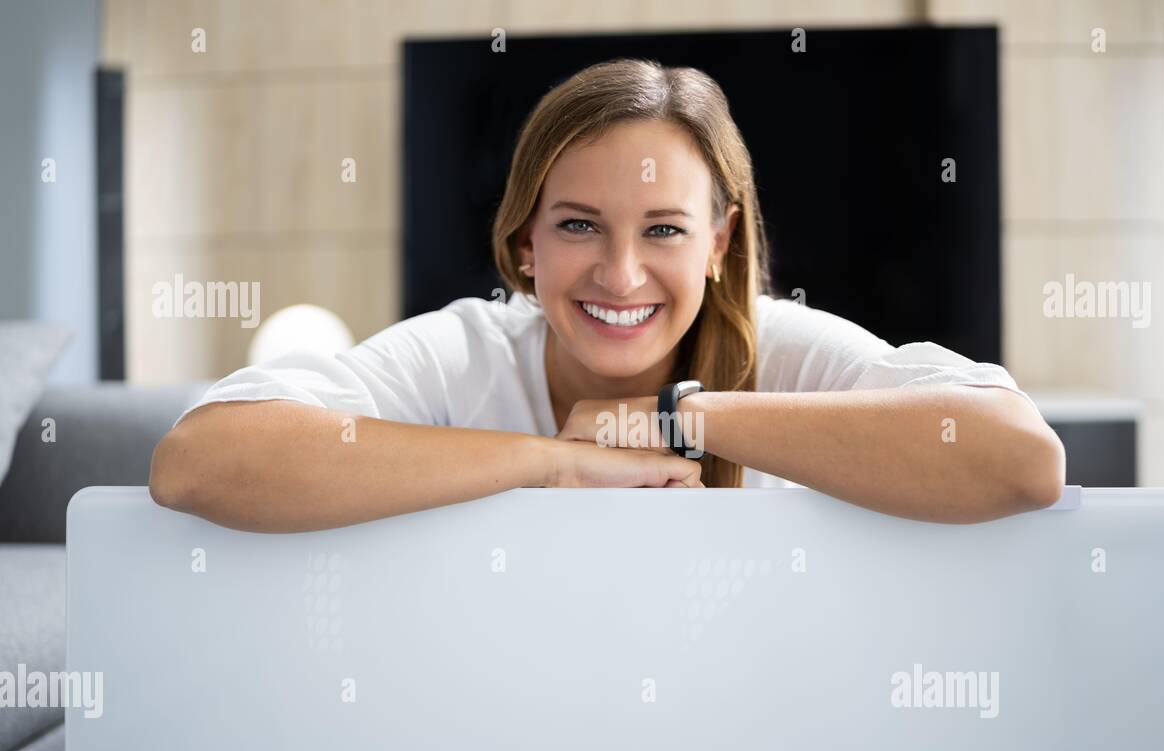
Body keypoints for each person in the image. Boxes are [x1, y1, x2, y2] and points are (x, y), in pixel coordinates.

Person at [149, 58, 1064, 533]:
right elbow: (201, 462)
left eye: (664, 229)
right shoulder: (464, 352)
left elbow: (1019, 461)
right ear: (525, 243)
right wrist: (549, 460)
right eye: (580, 224)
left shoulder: (787, 347)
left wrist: (673, 420)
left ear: (719, 243)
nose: (620, 276)